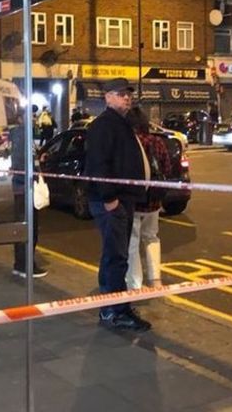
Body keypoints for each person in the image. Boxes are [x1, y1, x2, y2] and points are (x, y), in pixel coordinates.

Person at [85, 77, 150, 331]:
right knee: (116, 257)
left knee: (114, 256)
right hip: (113, 201)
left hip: (123, 199)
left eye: (128, 94)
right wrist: (110, 198)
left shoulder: (121, 124)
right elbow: (99, 165)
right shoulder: (104, 126)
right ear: (107, 97)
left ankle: (113, 307)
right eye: (121, 93)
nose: (127, 97)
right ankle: (116, 311)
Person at [124, 107, 172, 290]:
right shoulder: (157, 141)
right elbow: (167, 169)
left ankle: (135, 284)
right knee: (152, 237)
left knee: (133, 242)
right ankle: (155, 280)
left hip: (135, 200)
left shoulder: (130, 142)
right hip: (154, 199)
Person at [9, 113, 48, 278]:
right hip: (25, 188)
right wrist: (28, 178)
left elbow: (27, 158)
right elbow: (19, 162)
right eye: (28, 116)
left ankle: (22, 264)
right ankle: (25, 266)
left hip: (26, 186)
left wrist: (39, 158)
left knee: (28, 227)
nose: (32, 119)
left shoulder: (26, 134)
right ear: (20, 119)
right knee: (28, 228)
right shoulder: (21, 134)